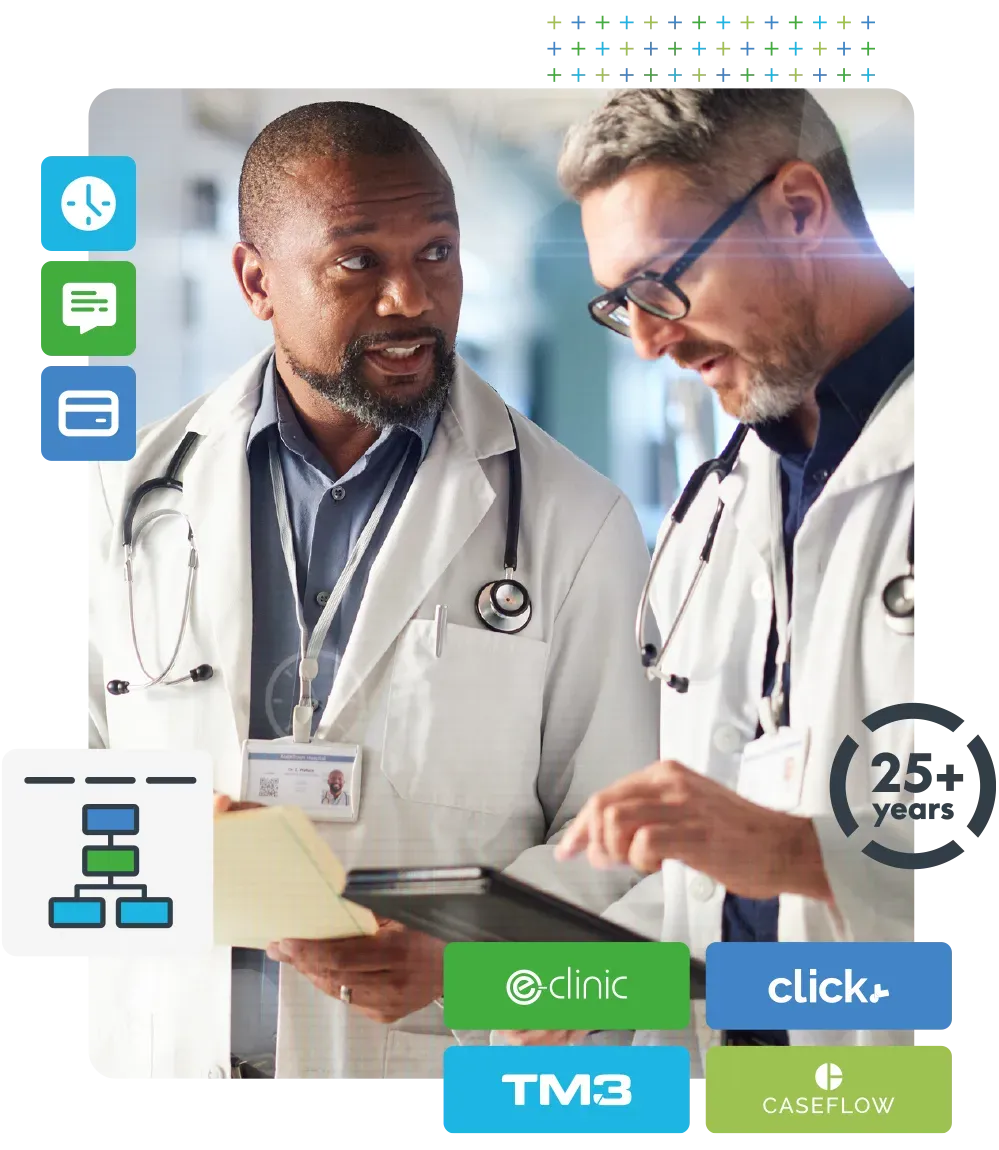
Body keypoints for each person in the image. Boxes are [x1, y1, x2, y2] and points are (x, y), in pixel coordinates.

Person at [86, 101, 661, 1081]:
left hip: (425, 1079)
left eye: (438, 253)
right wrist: (171, 834)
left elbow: (625, 834)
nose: (411, 298)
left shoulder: (574, 519)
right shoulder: (123, 497)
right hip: (166, 1068)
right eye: (359, 262)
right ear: (256, 281)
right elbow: (48, 792)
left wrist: (471, 968)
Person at [505, 89, 919, 1064]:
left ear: (800, 210)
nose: (648, 340)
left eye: (662, 283)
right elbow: (713, 897)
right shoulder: (715, 513)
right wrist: (558, 976)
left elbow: (783, 862)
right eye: (620, 304)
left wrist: (795, 855)